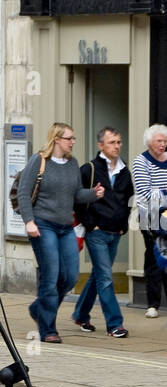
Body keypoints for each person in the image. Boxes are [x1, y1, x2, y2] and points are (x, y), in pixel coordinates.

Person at [18, 121, 104, 344]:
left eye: (73, 138)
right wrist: (29, 221)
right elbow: (23, 194)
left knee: (70, 277)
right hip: (43, 225)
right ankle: (48, 329)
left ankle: (38, 309)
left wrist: (93, 194)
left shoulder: (72, 163)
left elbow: (75, 195)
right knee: (51, 277)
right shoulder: (39, 161)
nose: (73, 142)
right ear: (56, 139)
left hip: (66, 227)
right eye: (69, 138)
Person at [70, 127, 134, 338]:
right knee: (106, 277)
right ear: (101, 146)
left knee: (98, 275)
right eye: (112, 142)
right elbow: (77, 198)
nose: (117, 146)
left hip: (115, 231)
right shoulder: (89, 169)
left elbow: (128, 199)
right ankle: (115, 324)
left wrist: (124, 223)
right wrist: (90, 224)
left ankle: (80, 313)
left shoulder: (125, 171)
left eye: (119, 142)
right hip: (96, 232)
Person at [131, 124, 167, 318]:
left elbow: (156, 193)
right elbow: (145, 194)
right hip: (150, 218)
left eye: (165, 141)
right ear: (149, 142)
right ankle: (152, 304)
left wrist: (161, 193)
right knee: (154, 258)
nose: (163, 145)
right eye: (159, 141)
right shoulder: (141, 162)